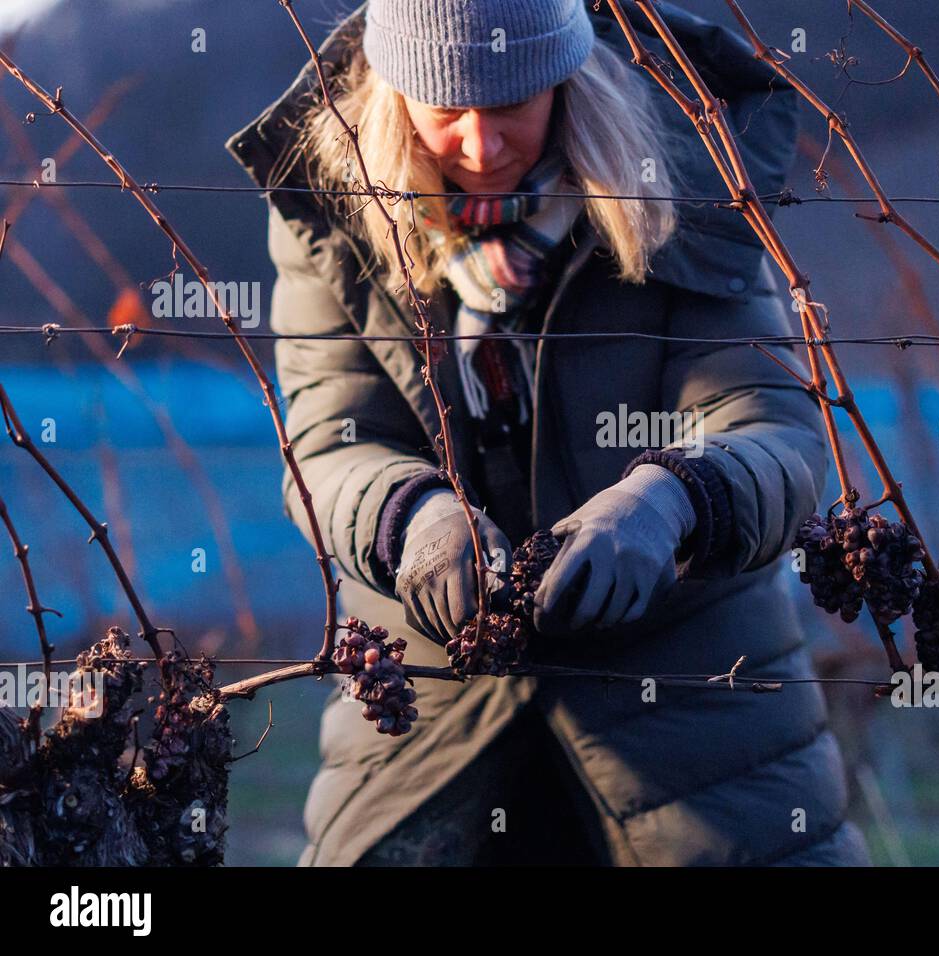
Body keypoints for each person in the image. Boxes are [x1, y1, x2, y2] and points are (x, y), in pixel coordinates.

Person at [228, 0, 869, 866]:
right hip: (429, 685)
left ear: (569, 82)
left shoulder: (690, 170)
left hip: (689, 671)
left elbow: (770, 424)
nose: (482, 147)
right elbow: (332, 440)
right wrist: (412, 518)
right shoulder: (329, 202)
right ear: (391, 93)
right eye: (447, 110)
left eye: (513, 107)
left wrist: (671, 502)